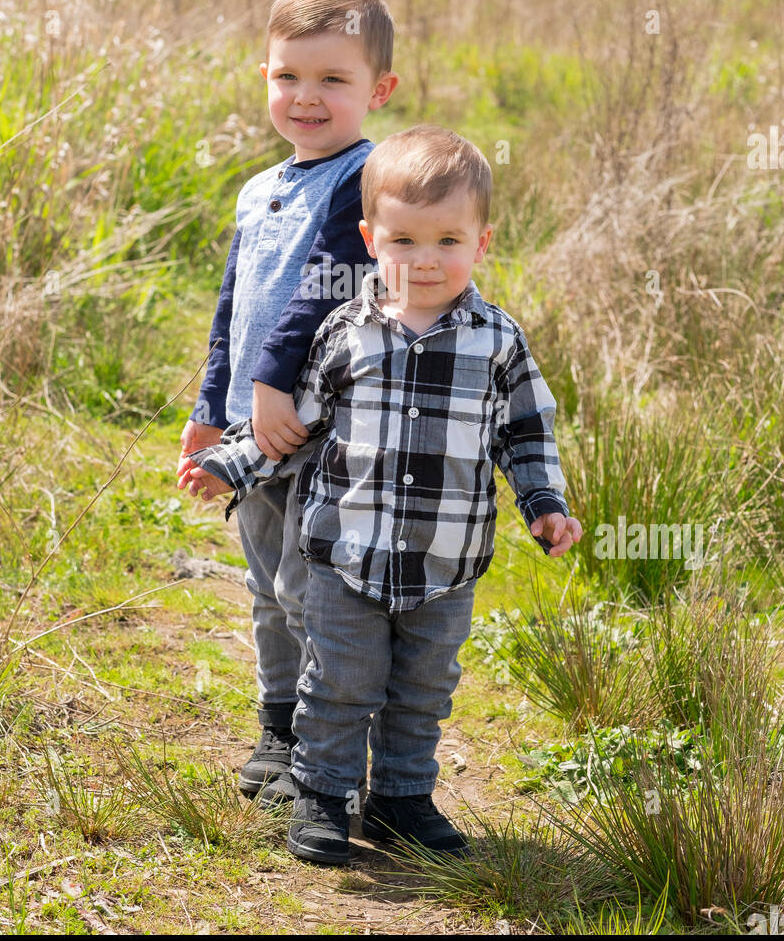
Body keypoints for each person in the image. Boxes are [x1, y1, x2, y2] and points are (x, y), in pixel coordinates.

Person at [178, 125, 582, 864]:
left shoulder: (497, 341)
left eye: (447, 241)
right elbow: (294, 422)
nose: (424, 261)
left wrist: (543, 504)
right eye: (403, 241)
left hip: (445, 561)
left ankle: (401, 797)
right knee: (338, 681)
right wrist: (228, 465)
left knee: (423, 691)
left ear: (481, 244)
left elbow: (525, 431)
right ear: (370, 239)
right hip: (346, 553)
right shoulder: (345, 333)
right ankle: (324, 797)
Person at [178, 0, 398, 804]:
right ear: (264, 75)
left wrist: (271, 382)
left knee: (312, 592)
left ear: (378, 90)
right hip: (251, 423)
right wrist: (213, 410)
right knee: (264, 585)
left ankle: (328, 746)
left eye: (333, 80)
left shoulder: (366, 179)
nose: (307, 97)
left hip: (315, 425)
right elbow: (233, 305)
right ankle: (277, 724)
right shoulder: (259, 187)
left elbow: (326, 283)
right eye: (287, 77)